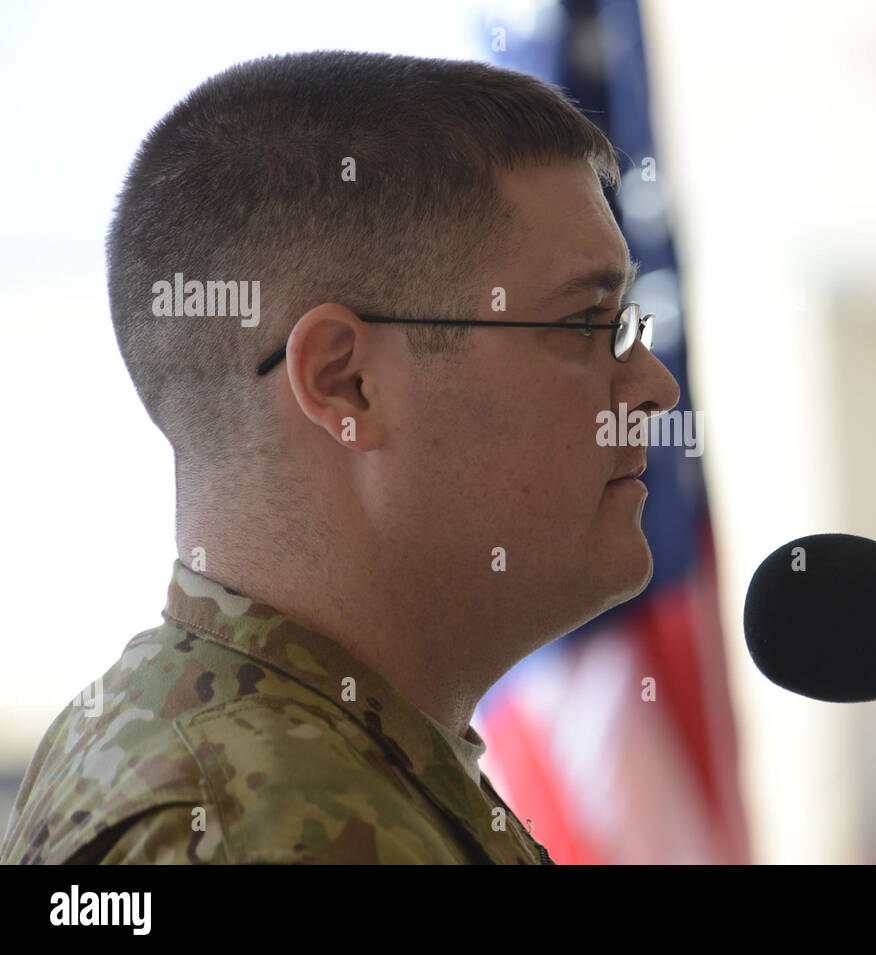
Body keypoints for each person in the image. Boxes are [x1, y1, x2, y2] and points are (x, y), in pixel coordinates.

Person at [1, 50, 679, 864]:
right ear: (346, 382)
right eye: (584, 324)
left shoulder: (270, 753)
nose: (655, 387)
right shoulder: (257, 825)